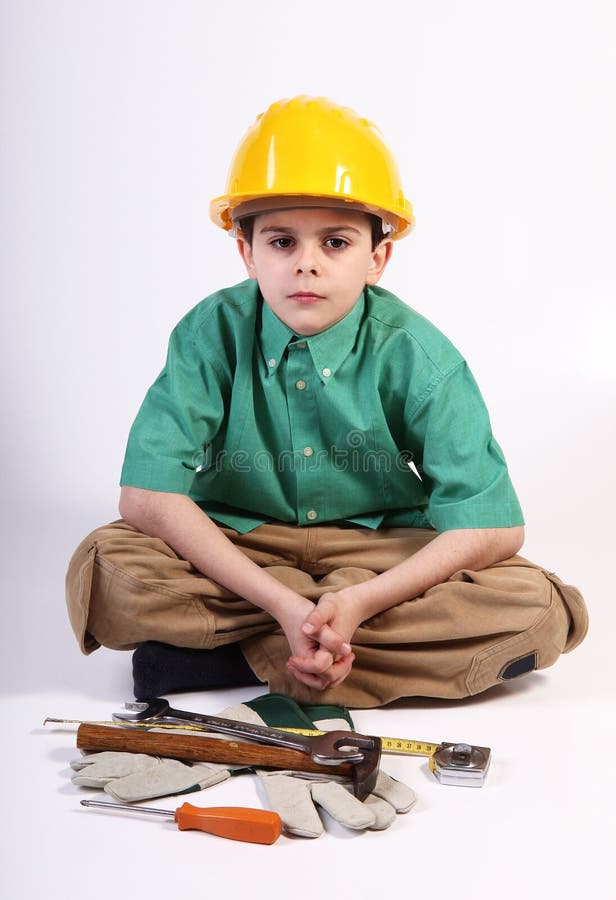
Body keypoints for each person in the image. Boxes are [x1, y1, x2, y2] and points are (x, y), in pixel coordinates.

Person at [65, 95, 588, 708]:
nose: (306, 266)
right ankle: (322, 641)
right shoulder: (210, 332)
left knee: (539, 607)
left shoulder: (420, 354)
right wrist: (281, 600)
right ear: (247, 252)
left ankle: (253, 653)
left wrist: (360, 599)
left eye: (335, 243)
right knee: (106, 565)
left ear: (377, 258)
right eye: (282, 242)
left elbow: (491, 525)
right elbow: (147, 496)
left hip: (377, 551)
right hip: (240, 539)